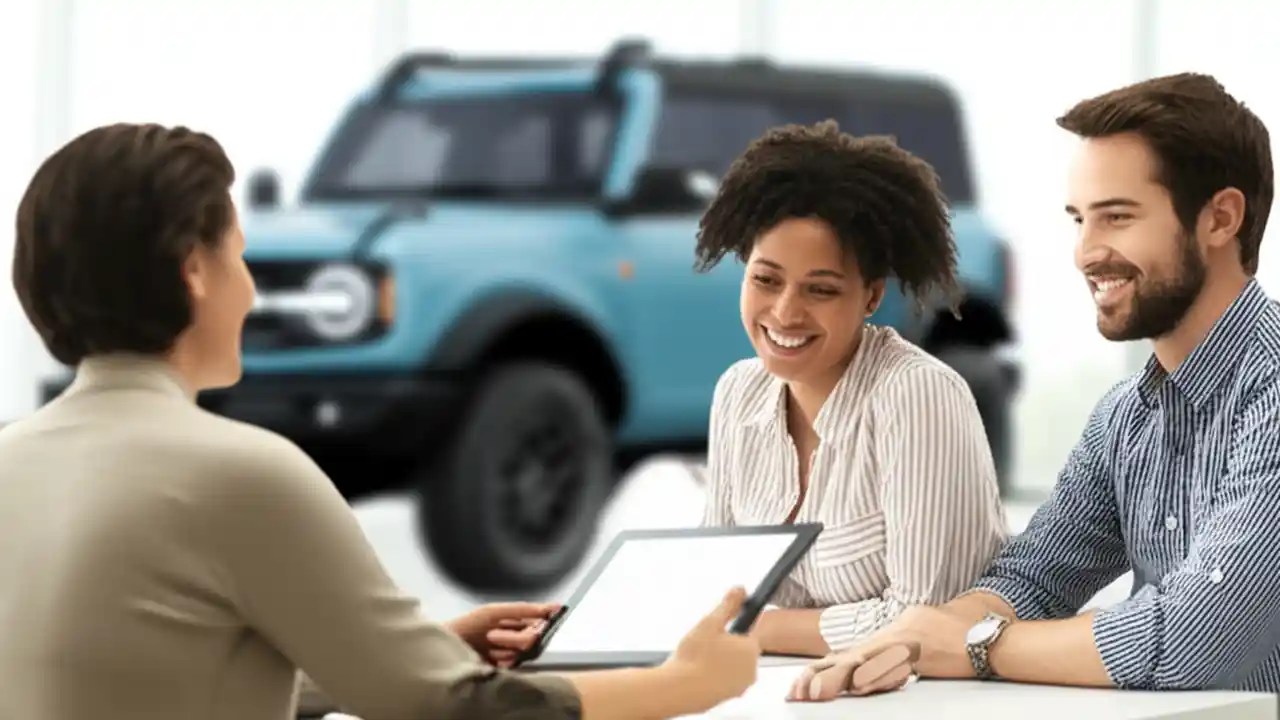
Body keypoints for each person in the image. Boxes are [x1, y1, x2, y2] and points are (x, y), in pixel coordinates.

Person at [0, 122, 760, 720]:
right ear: (194, 272)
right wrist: (685, 686)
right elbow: (451, 708)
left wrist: (406, 651)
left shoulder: (12, 459)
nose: (250, 290)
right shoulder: (240, 473)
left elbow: (156, 678)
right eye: (238, 256)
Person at [789, 71, 1280, 701]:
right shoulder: (1124, 418)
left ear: (1221, 219)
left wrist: (973, 646)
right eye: (1080, 219)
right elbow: (1033, 581)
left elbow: (1194, 641)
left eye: (1117, 218)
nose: (1085, 252)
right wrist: (910, 639)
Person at [693, 120, 1009, 658]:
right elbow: (716, 590)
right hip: (783, 692)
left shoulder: (916, 396)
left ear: (869, 296)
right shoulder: (738, 392)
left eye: (820, 289)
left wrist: (758, 630)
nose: (786, 312)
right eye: (766, 280)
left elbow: (921, 617)